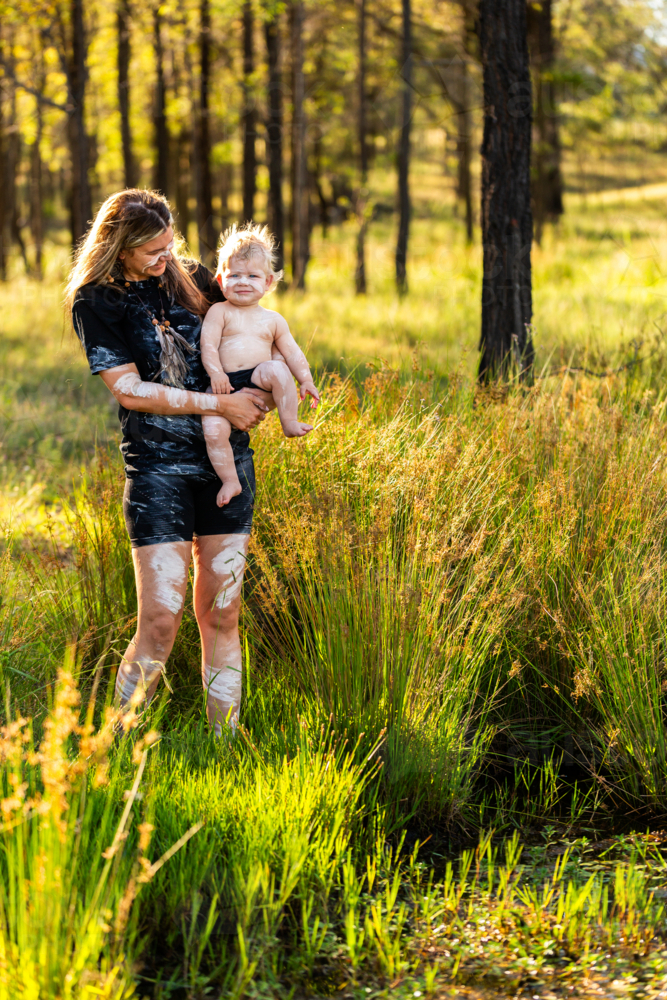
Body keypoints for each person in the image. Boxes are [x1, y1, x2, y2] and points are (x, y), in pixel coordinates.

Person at [66, 189, 270, 735]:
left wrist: (263, 389)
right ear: (118, 246)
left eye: (169, 244)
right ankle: (115, 744)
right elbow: (129, 390)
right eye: (152, 251)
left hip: (226, 461)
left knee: (222, 613)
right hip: (157, 470)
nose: (166, 258)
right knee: (160, 620)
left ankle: (222, 745)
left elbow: (248, 331)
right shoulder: (95, 301)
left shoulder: (194, 276)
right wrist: (217, 403)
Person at [200, 224, 320, 507]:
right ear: (220, 279)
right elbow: (207, 346)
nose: (243, 282)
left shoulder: (273, 319)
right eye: (235, 275)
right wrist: (216, 373)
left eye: (252, 276)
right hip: (224, 382)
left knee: (279, 369)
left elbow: (292, 351)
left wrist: (306, 380)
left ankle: (289, 422)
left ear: (267, 282)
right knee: (213, 430)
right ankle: (230, 479)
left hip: (257, 376)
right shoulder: (219, 312)